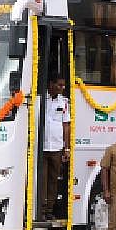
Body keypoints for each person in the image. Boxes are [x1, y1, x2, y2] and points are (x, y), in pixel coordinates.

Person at [40, 74, 71, 219]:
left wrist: (66, 147)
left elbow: (66, 125)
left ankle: (49, 210)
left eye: (63, 85)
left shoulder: (64, 102)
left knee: (53, 180)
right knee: (42, 178)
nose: (62, 88)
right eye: (59, 85)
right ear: (51, 84)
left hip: (57, 146)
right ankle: (41, 208)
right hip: (42, 147)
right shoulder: (40, 99)